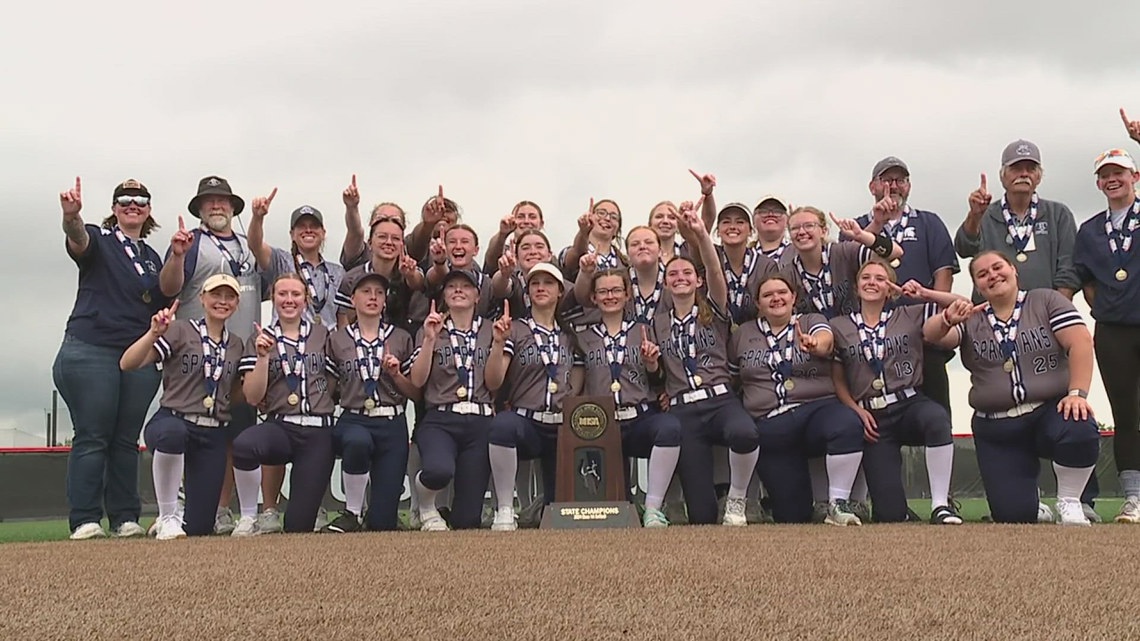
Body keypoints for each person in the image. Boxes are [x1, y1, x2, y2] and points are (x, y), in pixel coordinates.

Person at [924, 251, 1099, 525]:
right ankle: (1033, 505)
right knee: (1012, 515)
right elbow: (931, 335)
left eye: (997, 267)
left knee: (1079, 422)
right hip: (998, 425)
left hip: (1046, 410)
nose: (992, 276)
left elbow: (1080, 341)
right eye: (983, 274)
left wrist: (1077, 393)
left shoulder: (1046, 300)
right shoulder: (972, 316)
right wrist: (947, 317)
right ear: (977, 286)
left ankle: (1070, 500)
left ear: (1013, 269)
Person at [53, 177, 185, 540]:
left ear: (149, 209)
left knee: (126, 439)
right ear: (114, 208)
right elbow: (78, 240)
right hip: (91, 348)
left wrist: (177, 255)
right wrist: (71, 216)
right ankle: (85, 519)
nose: (132, 205)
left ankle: (125, 517)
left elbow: (169, 289)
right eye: (124, 200)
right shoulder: (101, 239)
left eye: (140, 201)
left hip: (137, 355)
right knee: (93, 435)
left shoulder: (151, 257)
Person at [158, 175, 265, 535]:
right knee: (188, 433)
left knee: (236, 436)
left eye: (223, 201)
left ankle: (222, 509)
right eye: (209, 201)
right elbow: (168, 288)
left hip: (240, 354)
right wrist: (176, 256)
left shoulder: (249, 247)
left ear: (233, 208)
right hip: (197, 358)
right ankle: (172, 508)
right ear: (200, 208)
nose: (217, 206)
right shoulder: (191, 242)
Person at [830, 259, 962, 524]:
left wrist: (924, 294)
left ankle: (940, 505)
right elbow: (838, 378)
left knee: (936, 418)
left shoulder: (909, 315)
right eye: (866, 277)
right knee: (889, 514)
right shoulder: (839, 325)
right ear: (856, 286)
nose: (872, 282)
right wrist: (855, 410)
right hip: (872, 416)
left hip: (908, 403)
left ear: (891, 288)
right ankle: (897, 508)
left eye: (880, 278)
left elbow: (961, 304)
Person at [653, 206, 759, 526]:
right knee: (701, 515)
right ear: (665, 284)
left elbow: (715, 270)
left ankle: (737, 498)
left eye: (687, 273)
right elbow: (656, 368)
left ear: (697, 280)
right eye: (673, 274)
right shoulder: (658, 322)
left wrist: (701, 235)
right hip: (683, 409)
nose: (680, 278)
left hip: (719, 400)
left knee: (744, 433)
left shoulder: (713, 309)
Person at [729, 275, 865, 525]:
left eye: (782, 292)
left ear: (794, 297)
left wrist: (815, 344)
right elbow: (733, 379)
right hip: (771, 424)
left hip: (815, 410)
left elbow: (826, 341)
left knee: (846, 423)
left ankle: (838, 502)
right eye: (767, 295)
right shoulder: (743, 334)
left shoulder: (811, 320)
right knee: (792, 515)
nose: (776, 298)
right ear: (758, 303)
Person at [246, 200, 345, 533]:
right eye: (301, 227)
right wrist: (257, 217)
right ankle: (268, 508)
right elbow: (256, 244)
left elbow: (343, 315)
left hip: (321, 350)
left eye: (313, 226)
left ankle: (313, 504)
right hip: (283, 348)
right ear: (291, 233)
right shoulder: (282, 261)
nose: (308, 231)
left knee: (316, 431)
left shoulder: (336, 271)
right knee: (277, 423)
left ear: (323, 232)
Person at [121, 274, 244, 539]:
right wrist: (153, 333)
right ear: (202, 298)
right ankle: (167, 515)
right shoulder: (180, 330)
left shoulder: (236, 344)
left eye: (229, 296)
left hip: (213, 430)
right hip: (174, 419)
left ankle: (170, 519)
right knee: (172, 434)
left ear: (237, 303)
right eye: (216, 294)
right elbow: (128, 363)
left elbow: (233, 392)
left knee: (199, 528)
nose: (222, 301)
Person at [229, 274, 337, 536]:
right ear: (273, 298)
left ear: (305, 300)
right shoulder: (260, 338)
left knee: (298, 526)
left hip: (317, 430)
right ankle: (249, 516)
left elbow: (334, 382)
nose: (289, 300)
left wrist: (320, 399)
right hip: (281, 427)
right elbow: (252, 396)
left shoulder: (323, 335)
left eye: (296, 294)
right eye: (282, 294)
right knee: (244, 446)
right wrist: (263, 358)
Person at [573, 268, 682, 527]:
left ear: (627, 295)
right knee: (617, 512)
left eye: (616, 290)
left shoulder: (645, 330)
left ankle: (653, 508)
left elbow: (659, 379)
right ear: (593, 297)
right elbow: (577, 384)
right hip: (602, 423)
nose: (610, 296)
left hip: (640, 417)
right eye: (603, 291)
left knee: (669, 428)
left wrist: (652, 364)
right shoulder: (582, 337)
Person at [857, 157, 959, 416]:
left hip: (922, 334)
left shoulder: (929, 222)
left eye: (900, 180)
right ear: (872, 186)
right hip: (874, 337)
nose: (894, 186)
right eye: (886, 180)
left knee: (935, 414)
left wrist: (936, 322)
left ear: (909, 186)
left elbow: (944, 273)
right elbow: (850, 270)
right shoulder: (858, 226)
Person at [1073, 135, 1140, 524]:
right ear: (1098, 183)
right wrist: (1102, 306)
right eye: (1105, 175)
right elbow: (1084, 278)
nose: (1112, 180)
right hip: (1113, 330)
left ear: (1135, 176)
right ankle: (1134, 497)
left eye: (1119, 173)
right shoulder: (1090, 230)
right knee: (1125, 413)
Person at [323, 271, 419, 532]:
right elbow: (327, 387)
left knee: (382, 524)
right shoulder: (337, 339)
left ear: (385, 300)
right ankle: (352, 512)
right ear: (353, 299)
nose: (373, 297)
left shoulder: (400, 338)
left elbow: (414, 392)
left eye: (379, 293)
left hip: (391, 420)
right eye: (366, 292)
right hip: (354, 418)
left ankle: (376, 514)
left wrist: (396, 375)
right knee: (357, 441)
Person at [408, 271, 501, 530]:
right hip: (441, 418)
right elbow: (417, 380)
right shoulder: (431, 327)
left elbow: (494, 383)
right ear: (444, 295)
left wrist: (498, 344)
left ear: (477, 296)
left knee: (467, 521)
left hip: (480, 419)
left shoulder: (490, 329)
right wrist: (429, 340)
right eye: (452, 286)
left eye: (466, 286)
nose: (458, 290)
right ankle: (426, 508)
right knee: (438, 471)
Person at [486, 264, 577, 531]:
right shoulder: (515, 329)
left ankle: (539, 507)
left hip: (560, 426)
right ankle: (505, 508)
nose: (540, 288)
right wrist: (498, 343)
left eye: (548, 283)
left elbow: (578, 383)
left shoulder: (569, 334)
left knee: (558, 513)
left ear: (560, 291)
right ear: (527, 292)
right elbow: (494, 381)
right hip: (528, 422)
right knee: (503, 425)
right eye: (535, 283)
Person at [954, 140, 1081, 300]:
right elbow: (964, 248)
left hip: (1045, 308)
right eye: (1016, 169)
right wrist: (974, 216)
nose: (1024, 174)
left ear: (1039, 177)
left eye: (1031, 169)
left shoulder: (1058, 214)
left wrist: (1057, 307)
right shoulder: (985, 214)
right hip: (993, 309)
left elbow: (1069, 268)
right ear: (1002, 175)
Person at [714, 203, 779, 326]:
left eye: (740, 222)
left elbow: (770, 306)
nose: (732, 227)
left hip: (755, 332)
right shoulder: (711, 257)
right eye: (726, 222)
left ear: (750, 231)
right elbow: (696, 237)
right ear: (717, 231)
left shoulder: (766, 265)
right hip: (716, 332)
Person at [490, 229, 556, 318]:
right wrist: (504, 274)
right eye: (525, 248)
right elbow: (498, 288)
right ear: (517, 257)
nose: (533, 252)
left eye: (539, 247)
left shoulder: (559, 282)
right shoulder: (515, 281)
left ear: (549, 255)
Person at [559, 199, 627, 280]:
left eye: (614, 217)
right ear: (590, 217)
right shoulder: (572, 252)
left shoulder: (625, 263)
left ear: (617, 229)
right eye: (601, 213)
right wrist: (583, 232)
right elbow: (577, 254)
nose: (608, 218)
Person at [482, 201, 545, 277]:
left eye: (532, 217)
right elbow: (491, 263)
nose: (526, 221)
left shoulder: (547, 252)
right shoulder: (503, 250)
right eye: (520, 217)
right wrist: (502, 234)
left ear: (541, 223)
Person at [752, 196, 791, 261]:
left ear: (787, 220)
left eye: (777, 211)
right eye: (763, 211)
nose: (770, 214)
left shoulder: (799, 254)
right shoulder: (744, 256)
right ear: (753, 221)